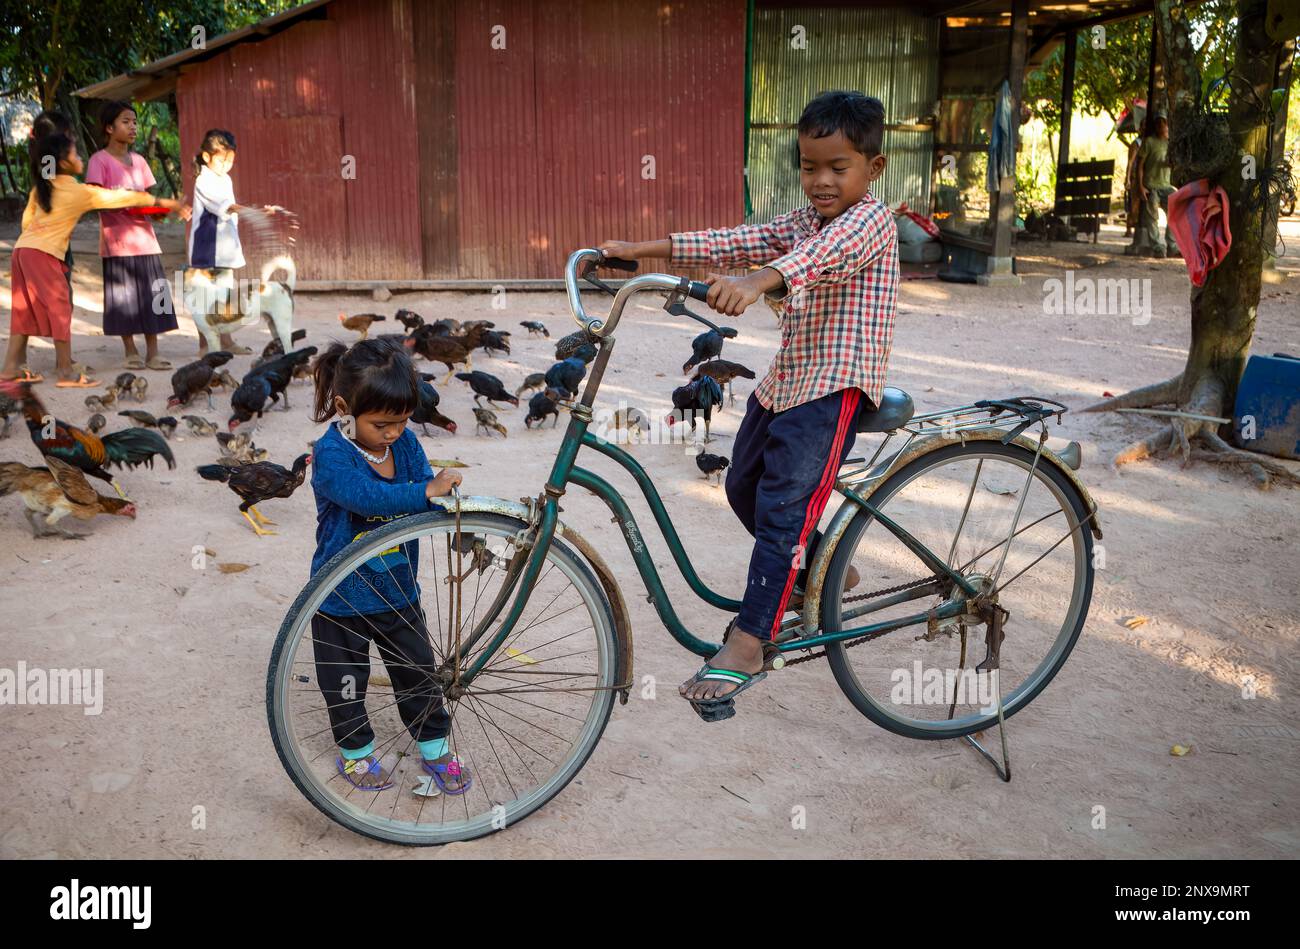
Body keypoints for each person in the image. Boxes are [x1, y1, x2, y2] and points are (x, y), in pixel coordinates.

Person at [599, 90, 899, 719]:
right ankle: (823, 568)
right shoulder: (803, 218)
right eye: (809, 165)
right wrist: (640, 251)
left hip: (835, 385)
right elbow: (738, 238)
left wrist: (758, 281)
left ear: (873, 167)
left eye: (837, 168)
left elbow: (813, 260)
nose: (820, 180)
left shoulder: (870, 220)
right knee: (741, 486)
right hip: (790, 378)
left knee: (785, 507)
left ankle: (750, 640)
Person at [308, 337, 469, 792]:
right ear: (344, 407)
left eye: (400, 422)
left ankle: (435, 747)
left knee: (418, 676)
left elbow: (423, 493)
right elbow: (367, 497)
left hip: (399, 592)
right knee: (344, 682)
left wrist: (447, 502)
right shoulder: (332, 455)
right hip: (339, 597)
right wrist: (426, 492)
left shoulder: (406, 444)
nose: (393, 433)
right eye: (382, 424)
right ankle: (356, 753)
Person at [2, 129, 185, 386]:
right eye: (76, 154)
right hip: (43, 254)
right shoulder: (78, 192)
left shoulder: (41, 188)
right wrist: (167, 203)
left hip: (22, 252)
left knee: (24, 310)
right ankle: (65, 371)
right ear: (63, 162)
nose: (81, 159)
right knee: (60, 308)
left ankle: (10, 368)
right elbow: (122, 196)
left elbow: (26, 221)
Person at [85, 100, 186, 371]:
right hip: (117, 243)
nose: (133, 127)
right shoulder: (99, 161)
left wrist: (161, 211)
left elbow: (150, 200)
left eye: (135, 122)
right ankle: (130, 350)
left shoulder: (140, 161)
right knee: (123, 300)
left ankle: (153, 352)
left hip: (146, 240)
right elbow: (94, 199)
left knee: (156, 296)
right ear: (109, 128)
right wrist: (129, 200)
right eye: (125, 122)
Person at [186, 129, 280, 355]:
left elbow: (230, 209)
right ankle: (204, 344)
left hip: (225, 248)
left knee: (224, 295)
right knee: (204, 297)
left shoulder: (225, 179)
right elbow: (226, 207)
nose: (226, 165)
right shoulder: (203, 180)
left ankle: (225, 339)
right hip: (207, 248)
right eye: (222, 159)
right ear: (207, 157)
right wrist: (255, 212)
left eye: (230, 160)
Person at [1126, 114, 1179, 258]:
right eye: (1160, 125)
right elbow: (1140, 166)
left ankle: (1172, 246)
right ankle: (1157, 247)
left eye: (1165, 125)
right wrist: (1141, 186)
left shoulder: (1170, 143)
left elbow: (1174, 163)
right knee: (1152, 215)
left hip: (1166, 185)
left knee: (1176, 209)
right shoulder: (1149, 142)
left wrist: (1172, 164)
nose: (1163, 128)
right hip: (1151, 185)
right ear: (1157, 128)